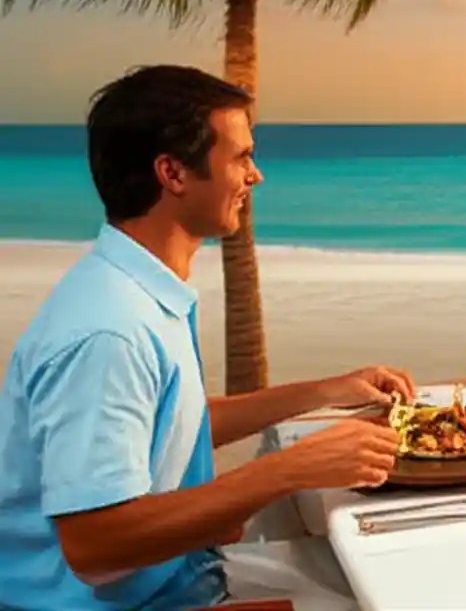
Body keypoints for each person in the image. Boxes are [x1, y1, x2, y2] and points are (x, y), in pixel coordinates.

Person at [0, 65, 411, 610]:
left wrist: (325, 392)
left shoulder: (137, 290)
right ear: (172, 173)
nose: (255, 175)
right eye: (241, 156)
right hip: (134, 601)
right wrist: (290, 469)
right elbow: (95, 546)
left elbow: (172, 426)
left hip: (183, 574)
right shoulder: (109, 332)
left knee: (373, 577)